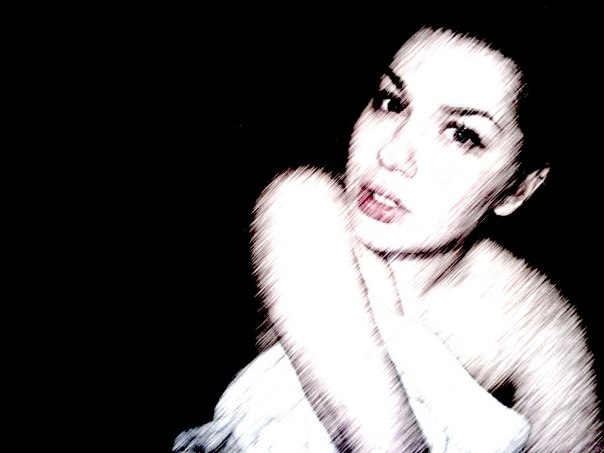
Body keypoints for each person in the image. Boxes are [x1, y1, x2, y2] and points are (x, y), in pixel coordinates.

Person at [174, 20, 602, 452]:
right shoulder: (302, 206)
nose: (392, 152)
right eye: (391, 102)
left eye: (461, 134)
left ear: (518, 189)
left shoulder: (533, 319)